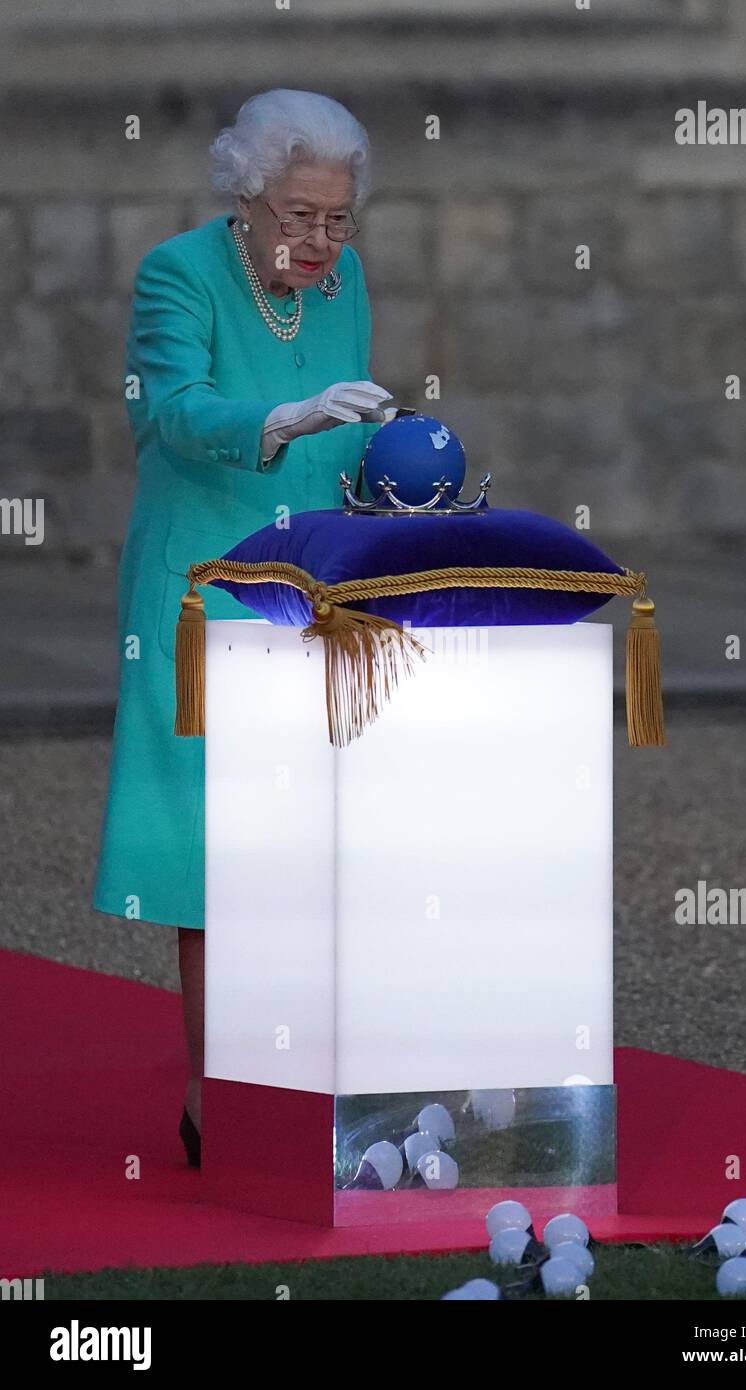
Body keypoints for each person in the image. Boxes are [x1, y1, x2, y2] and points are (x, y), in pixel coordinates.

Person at [91, 89, 393, 1167]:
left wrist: (392, 490)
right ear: (247, 197)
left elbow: (353, 431)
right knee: (219, 860)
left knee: (313, 847)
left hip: (318, 589)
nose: (319, 243)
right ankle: (215, 1095)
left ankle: (315, 1078)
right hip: (205, 596)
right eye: (298, 217)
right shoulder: (180, 273)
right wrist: (277, 420)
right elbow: (169, 407)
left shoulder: (344, 280)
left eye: (338, 219)